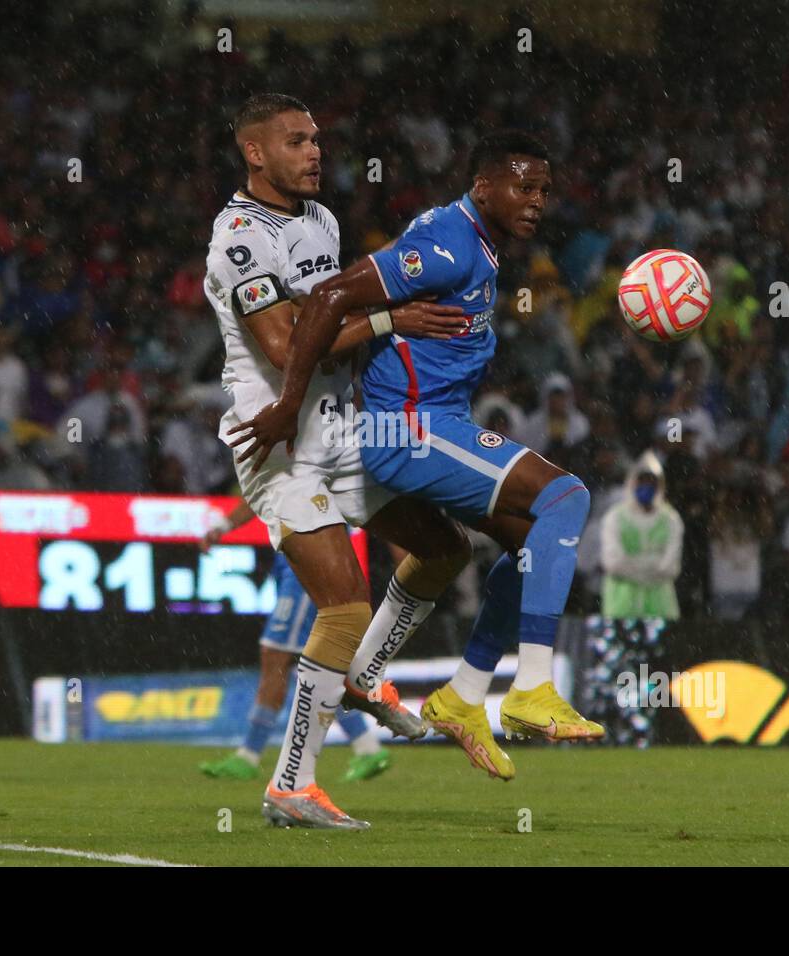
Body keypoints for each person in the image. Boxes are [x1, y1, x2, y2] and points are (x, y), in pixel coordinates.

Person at [231, 129, 605, 784]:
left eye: (545, 189)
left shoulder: (474, 242)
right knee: (565, 498)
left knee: (531, 544)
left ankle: (459, 692)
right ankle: (530, 688)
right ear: (483, 187)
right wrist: (290, 402)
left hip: (430, 424)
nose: (538, 201)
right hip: (408, 431)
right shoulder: (447, 245)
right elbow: (328, 298)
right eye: (524, 186)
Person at [206, 94, 474, 829]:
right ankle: (290, 785)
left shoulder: (320, 221)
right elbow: (287, 347)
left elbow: (331, 322)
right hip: (277, 444)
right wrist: (392, 318)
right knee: (345, 606)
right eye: (296, 142)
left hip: (344, 433)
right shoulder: (237, 239)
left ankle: (364, 678)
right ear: (255, 154)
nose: (315, 152)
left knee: (445, 547)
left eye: (317, 140)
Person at [196, 501, 392, 784]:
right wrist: (222, 527)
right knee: (319, 664)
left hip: (307, 559)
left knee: (276, 654)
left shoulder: (303, 462)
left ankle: (249, 755)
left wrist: (221, 528)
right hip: (298, 558)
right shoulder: (293, 469)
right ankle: (366, 747)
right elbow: (261, 493)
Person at [600, 452, 684, 619]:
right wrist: (652, 565)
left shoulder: (671, 520)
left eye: (652, 483)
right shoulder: (614, 517)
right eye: (642, 482)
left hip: (660, 607)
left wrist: (631, 564)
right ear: (632, 483)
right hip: (621, 607)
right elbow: (613, 564)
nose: (647, 487)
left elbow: (670, 567)